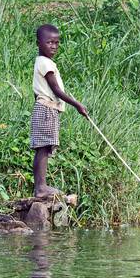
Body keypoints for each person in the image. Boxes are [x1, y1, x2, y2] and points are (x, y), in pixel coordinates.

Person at [31, 23, 87, 198]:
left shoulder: (47, 62)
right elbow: (56, 90)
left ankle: (41, 186)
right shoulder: (44, 62)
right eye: (49, 43)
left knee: (46, 147)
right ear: (38, 43)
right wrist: (77, 104)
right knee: (43, 147)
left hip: (49, 109)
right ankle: (40, 187)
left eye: (56, 43)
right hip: (46, 109)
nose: (53, 46)